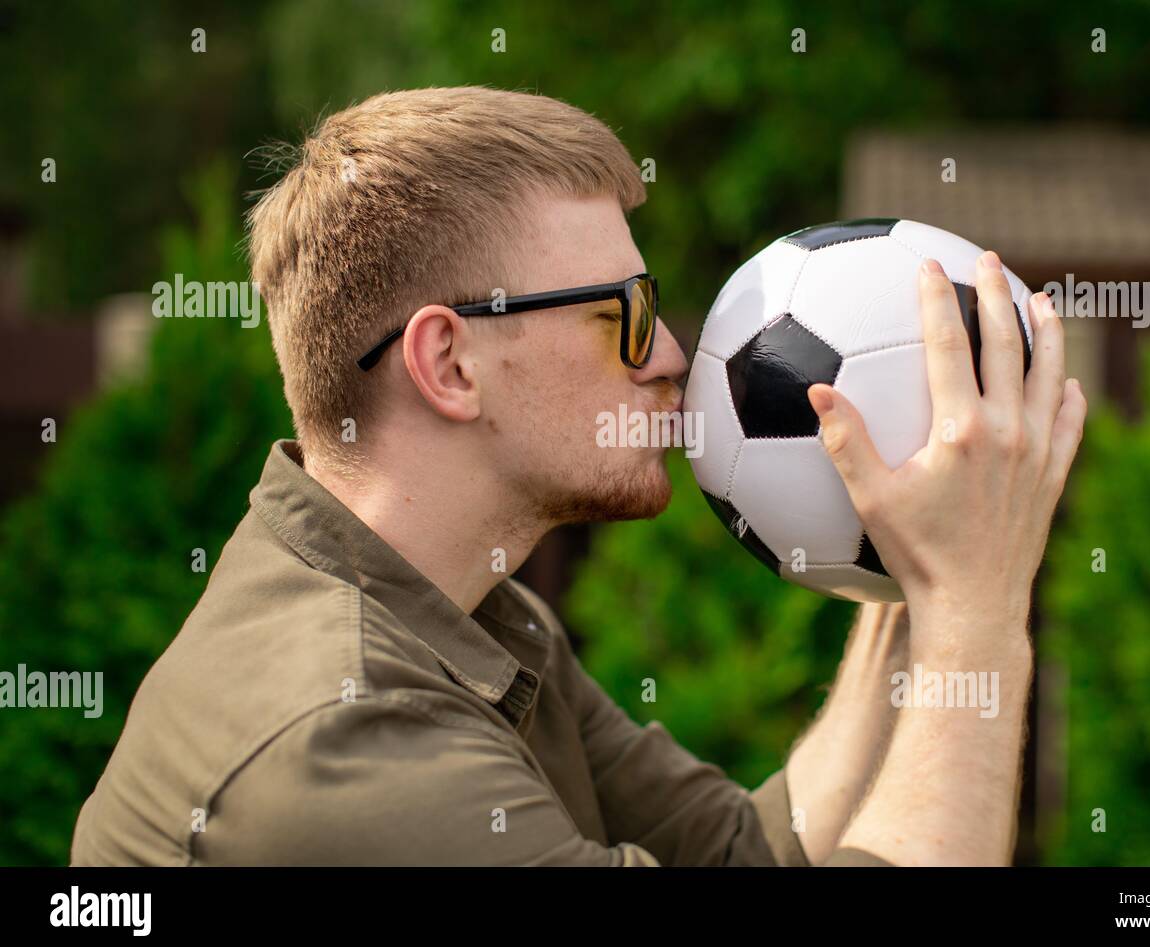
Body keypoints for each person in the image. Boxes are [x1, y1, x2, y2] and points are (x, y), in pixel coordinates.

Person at [71, 86, 1085, 866]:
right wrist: (973, 605)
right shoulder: (344, 738)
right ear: (450, 364)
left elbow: (742, 851)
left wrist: (902, 545)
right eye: (627, 312)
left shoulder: (472, 614)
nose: (671, 355)